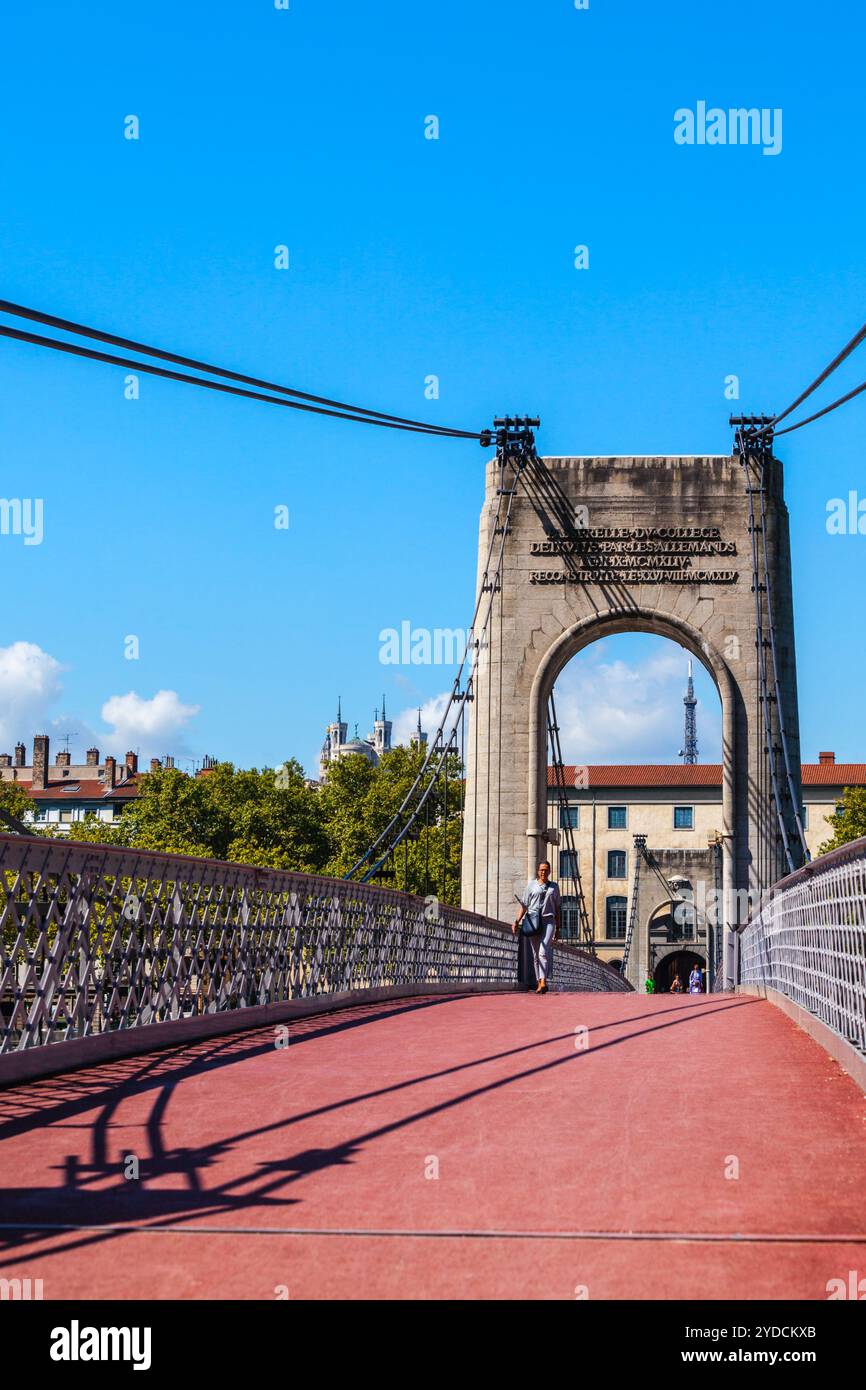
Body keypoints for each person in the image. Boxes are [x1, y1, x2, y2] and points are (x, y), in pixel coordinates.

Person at [513, 861, 561, 995]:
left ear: (550, 871)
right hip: (533, 921)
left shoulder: (554, 887)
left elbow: (557, 908)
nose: (543, 872)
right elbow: (524, 906)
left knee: (543, 952)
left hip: (548, 921)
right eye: (541, 870)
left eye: (546, 870)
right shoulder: (531, 886)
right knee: (535, 955)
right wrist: (516, 921)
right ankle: (539, 982)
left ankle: (544, 981)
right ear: (538, 871)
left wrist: (558, 928)